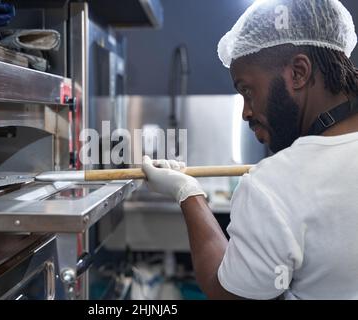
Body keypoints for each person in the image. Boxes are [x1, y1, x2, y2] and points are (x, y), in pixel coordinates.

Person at [142, 0, 358, 300]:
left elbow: (228, 293)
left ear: (298, 72)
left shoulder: (274, 186)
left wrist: (187, 193)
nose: (245, 112)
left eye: (247, 90)